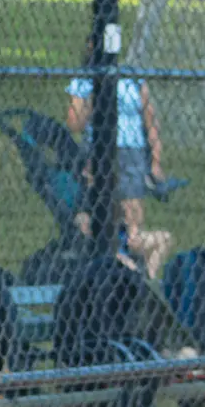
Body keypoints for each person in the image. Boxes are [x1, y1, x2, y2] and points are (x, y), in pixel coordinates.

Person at [65, 59, 173, 279]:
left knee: (135, 233)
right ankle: (121, 264)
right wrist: (92, 98)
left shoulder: (132, 77)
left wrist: (155, 161)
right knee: (104, 219)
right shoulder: (85, 79)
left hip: (132, 151)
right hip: (101, 147)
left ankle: (145, 279)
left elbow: (150, 121)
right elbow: (74, 123)